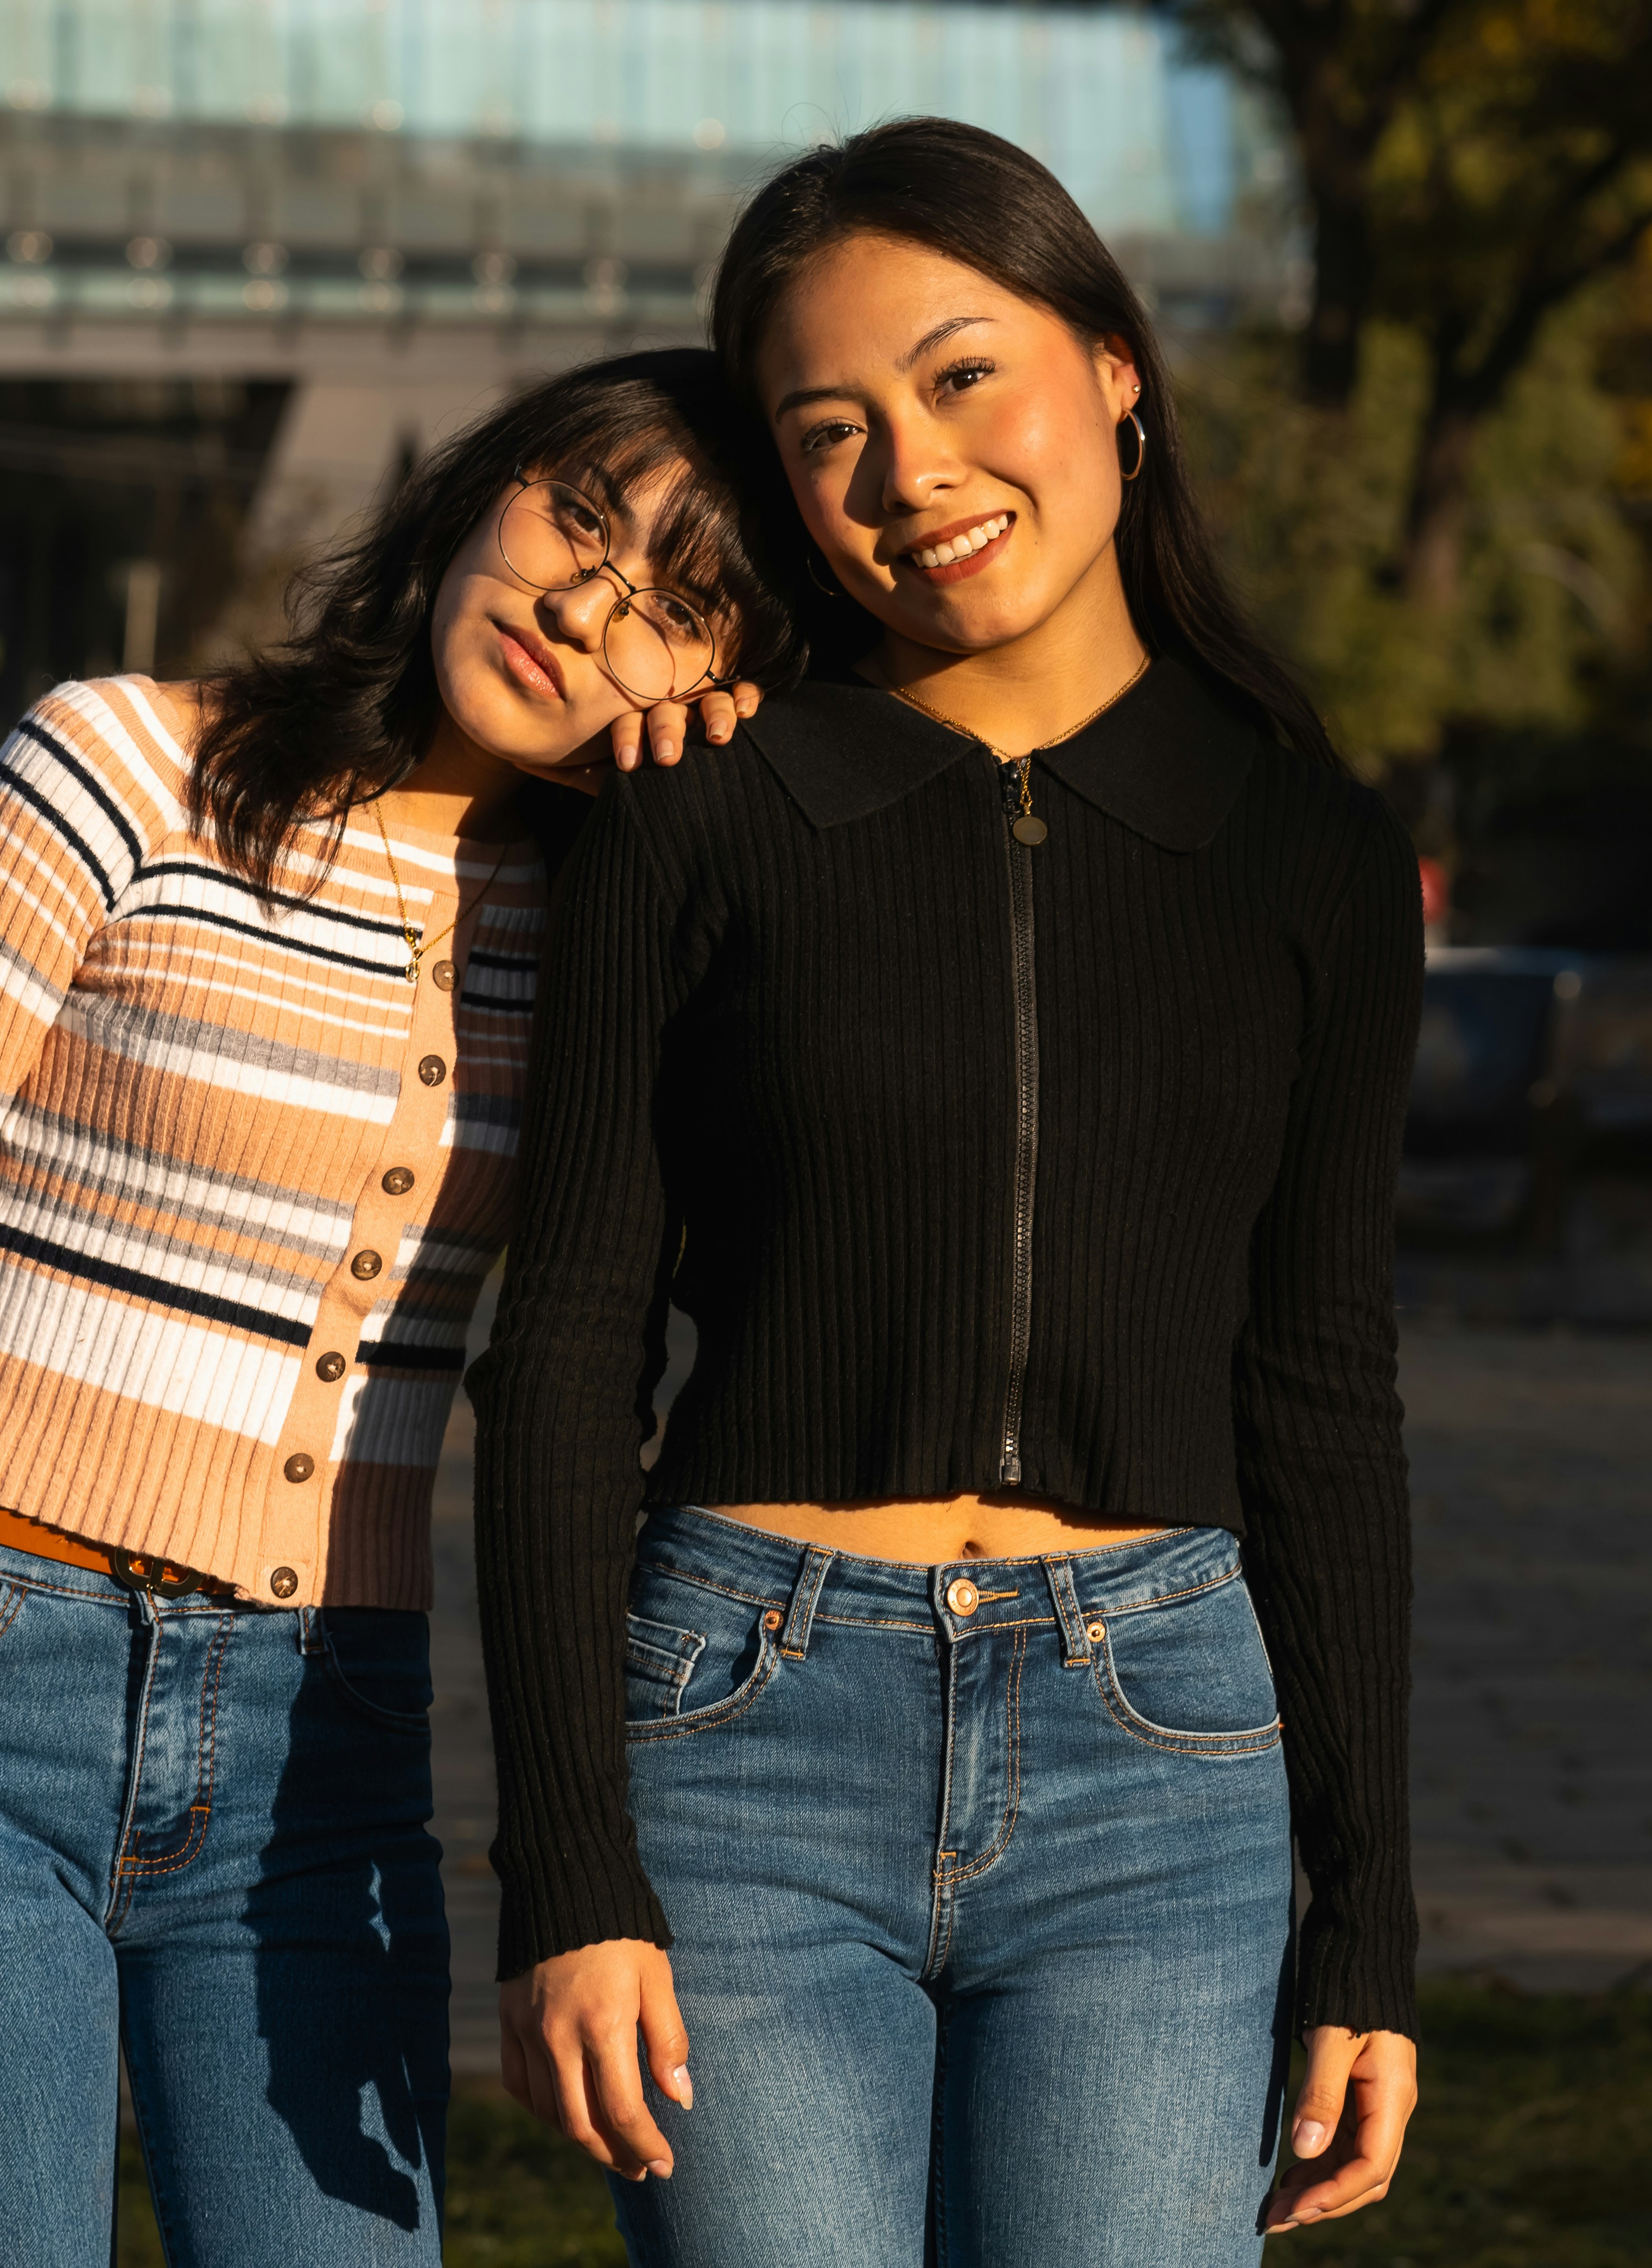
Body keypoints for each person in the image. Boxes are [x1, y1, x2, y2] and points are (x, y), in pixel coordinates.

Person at [0, 349, 797, 2268]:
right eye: (579, 517)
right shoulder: (123, 764)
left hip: (323, 1739)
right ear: (481, 488)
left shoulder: (619, 933)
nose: (585, 610)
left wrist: (741, 801)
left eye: (677, 606)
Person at [472, 119, 1425, 2263]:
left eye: (961, 373)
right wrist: (569, 1869)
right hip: (743, 1728)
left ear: (1114, 368)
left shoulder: (1311, 859)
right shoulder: (693, 811)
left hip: (1159, 1746)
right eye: (832, 431)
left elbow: (1324, 1386)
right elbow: (561, 1357)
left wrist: (1366, 1913)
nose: (910, 468)